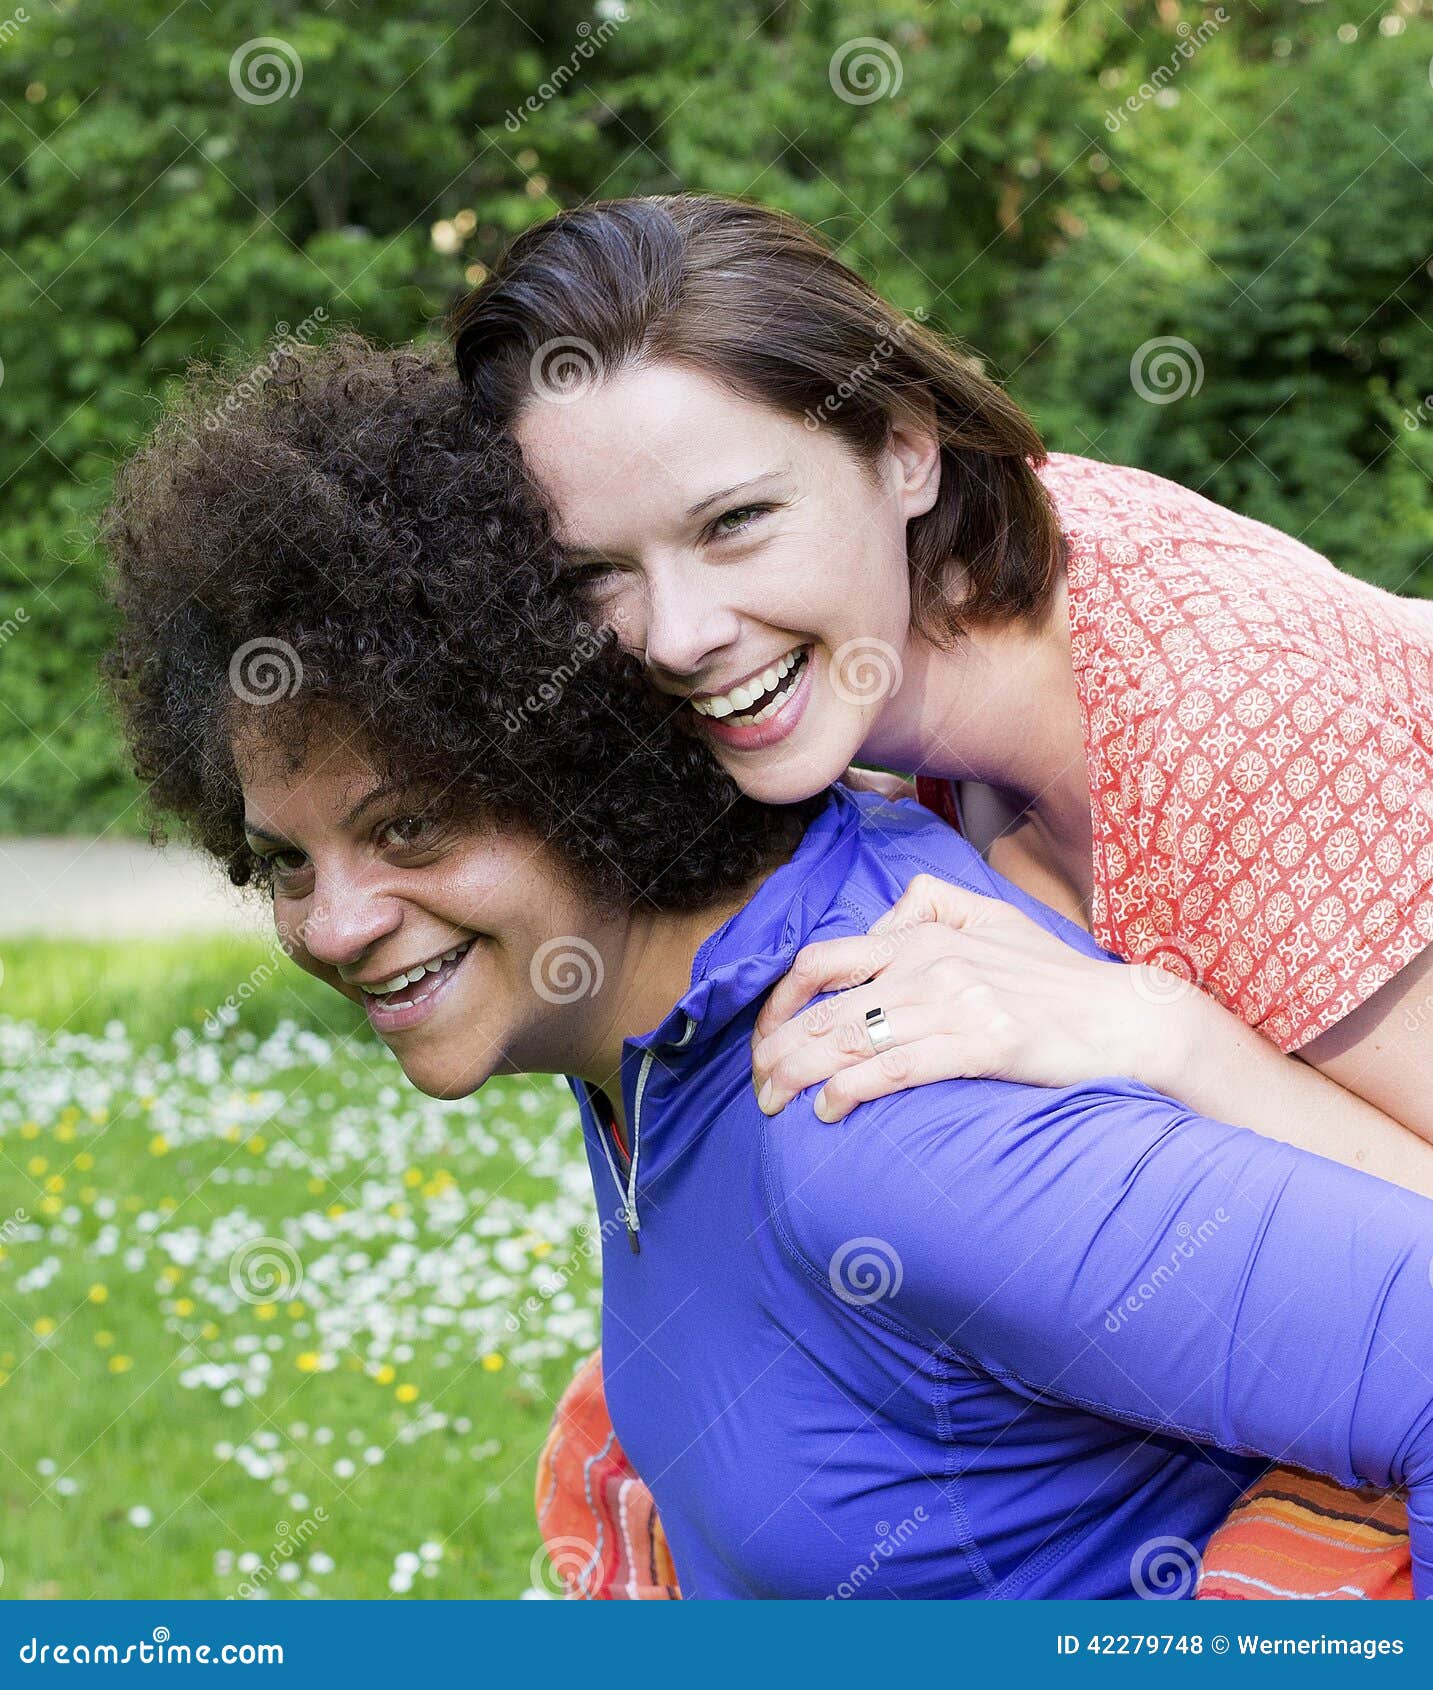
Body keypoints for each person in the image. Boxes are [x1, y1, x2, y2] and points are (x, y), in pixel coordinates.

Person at [103, 334, 1433, 1600]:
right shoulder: (633, 1035)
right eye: (285, 859)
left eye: (409, 828)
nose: (335, 924)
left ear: (568, 761)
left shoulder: (879, 1104)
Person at [450, 195, 1433, 1582]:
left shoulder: (1226, 724)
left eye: (735, 523)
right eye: (596, 571)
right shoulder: (888, 661)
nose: (673, 633)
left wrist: (1160, 1031)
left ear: (903, 450)